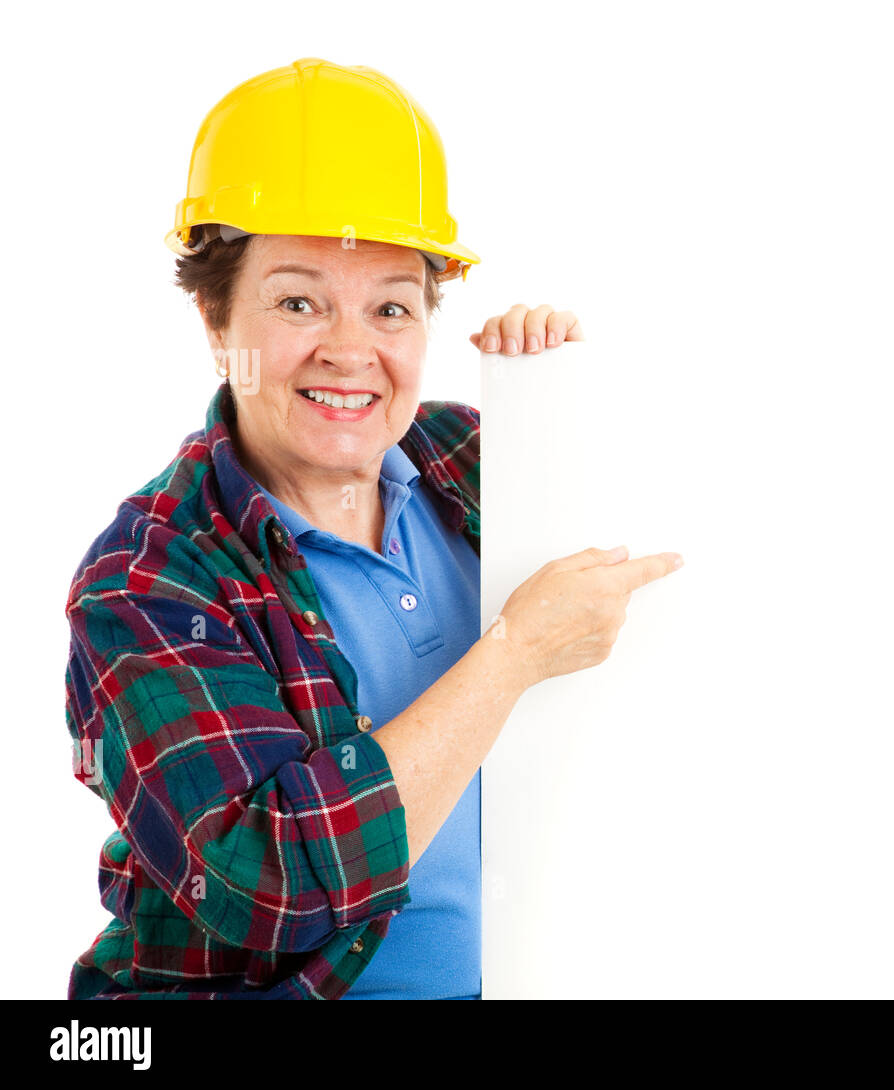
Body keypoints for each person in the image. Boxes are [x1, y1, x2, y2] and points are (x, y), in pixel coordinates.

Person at [62, 57, 682, 1000]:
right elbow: (268, 884)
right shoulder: (149, 579)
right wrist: (511, 652)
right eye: (299, 301)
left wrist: (555, 395)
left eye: (391, 306)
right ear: (213, 316)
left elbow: (668, 577)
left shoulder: (470, 466)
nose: (351, 351)